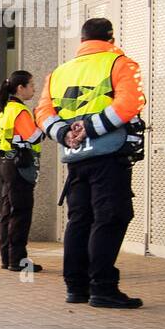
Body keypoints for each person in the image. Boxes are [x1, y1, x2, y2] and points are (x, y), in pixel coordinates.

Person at [34, 17, 146, 308]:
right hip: (108, 155)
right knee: (111, 216)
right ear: (110, 38)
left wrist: (65, 132)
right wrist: (92, 127)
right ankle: (103, 287)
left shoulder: (60, 72)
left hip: (75, 157)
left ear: (82, 41)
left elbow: (43, 112)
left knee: (79, 219)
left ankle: (76, 287)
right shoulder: (119, 63)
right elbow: (129, 103)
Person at [0, 71, 44, 273]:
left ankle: (7, 257)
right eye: (31, 85)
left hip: (8, 164)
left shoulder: (7, 109)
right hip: (21, 166)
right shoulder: (20, 111)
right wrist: (42, 121)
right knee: (21, 214)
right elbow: (34, 138)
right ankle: (18, 260)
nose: (34, 89)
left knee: (9, 212)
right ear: (20, 88)